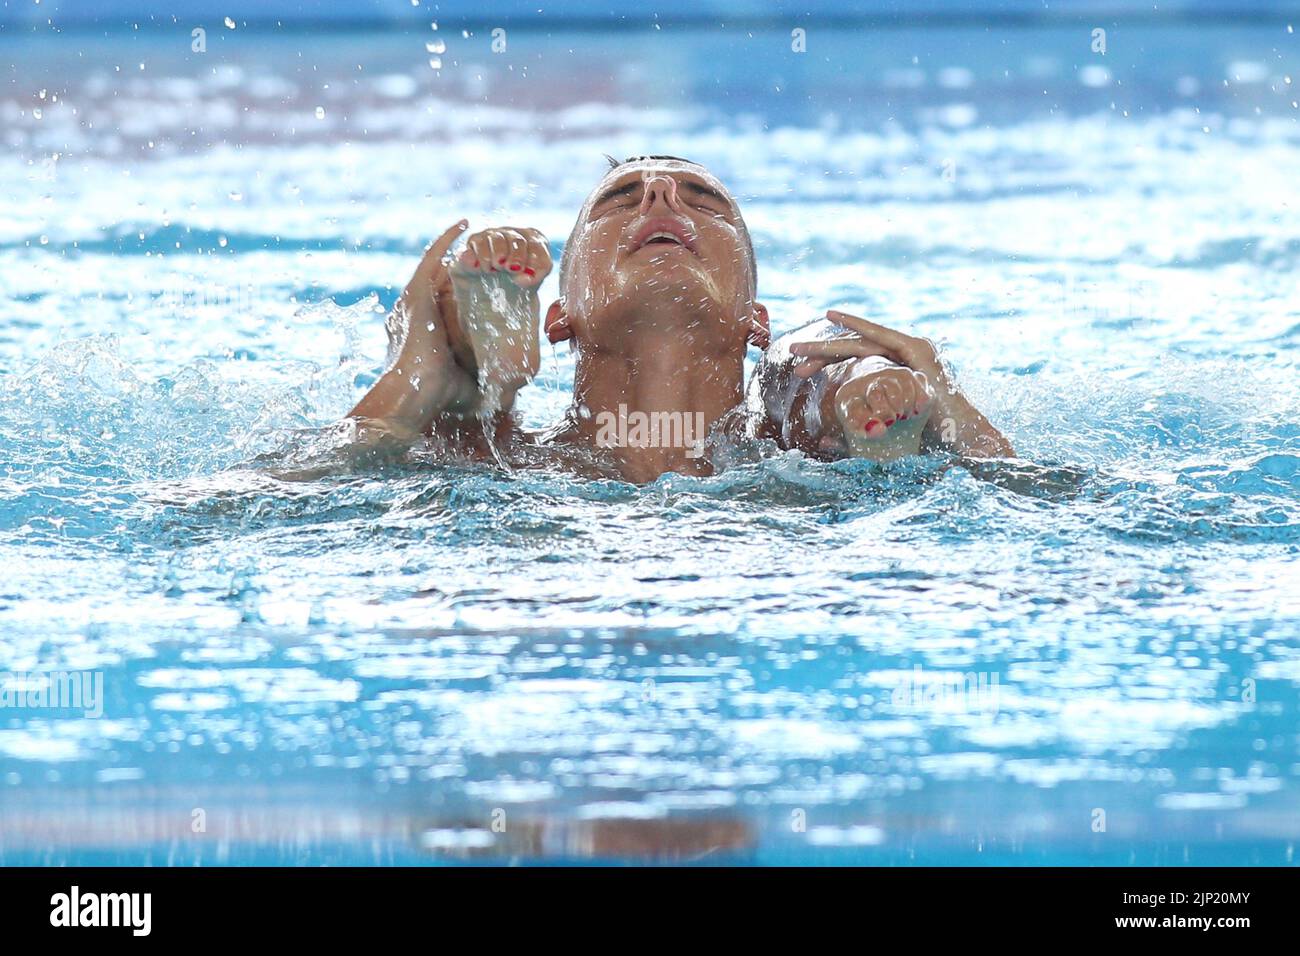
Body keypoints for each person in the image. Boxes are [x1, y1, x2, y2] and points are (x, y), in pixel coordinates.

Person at [348, 156, 1012, 483]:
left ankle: (891, 456)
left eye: (704, 200)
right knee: (462, 421)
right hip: (769, 558)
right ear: (559, 318)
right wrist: (409, 390)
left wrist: (949, 411)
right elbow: (253, 502)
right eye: (620, 200)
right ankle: (471, 373)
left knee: (845, 396)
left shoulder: (803, 454)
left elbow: (1031, 501)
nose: (663, 194)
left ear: (755, 323)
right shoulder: (495, 461)